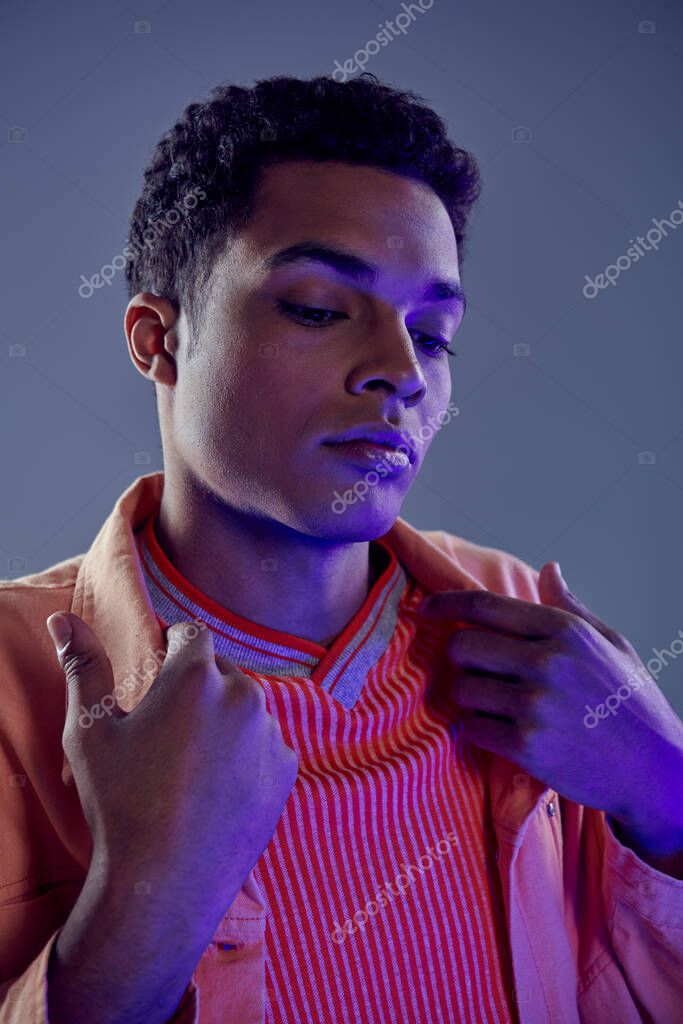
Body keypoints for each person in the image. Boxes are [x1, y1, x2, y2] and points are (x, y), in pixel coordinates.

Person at [1, 73, 682, 1024]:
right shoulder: (12, 681)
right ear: (159, 339)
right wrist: (146, 896)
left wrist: (665, 794)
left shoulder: (532, 629)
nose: (401, 373)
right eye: (319, 309)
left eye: (433, 335)